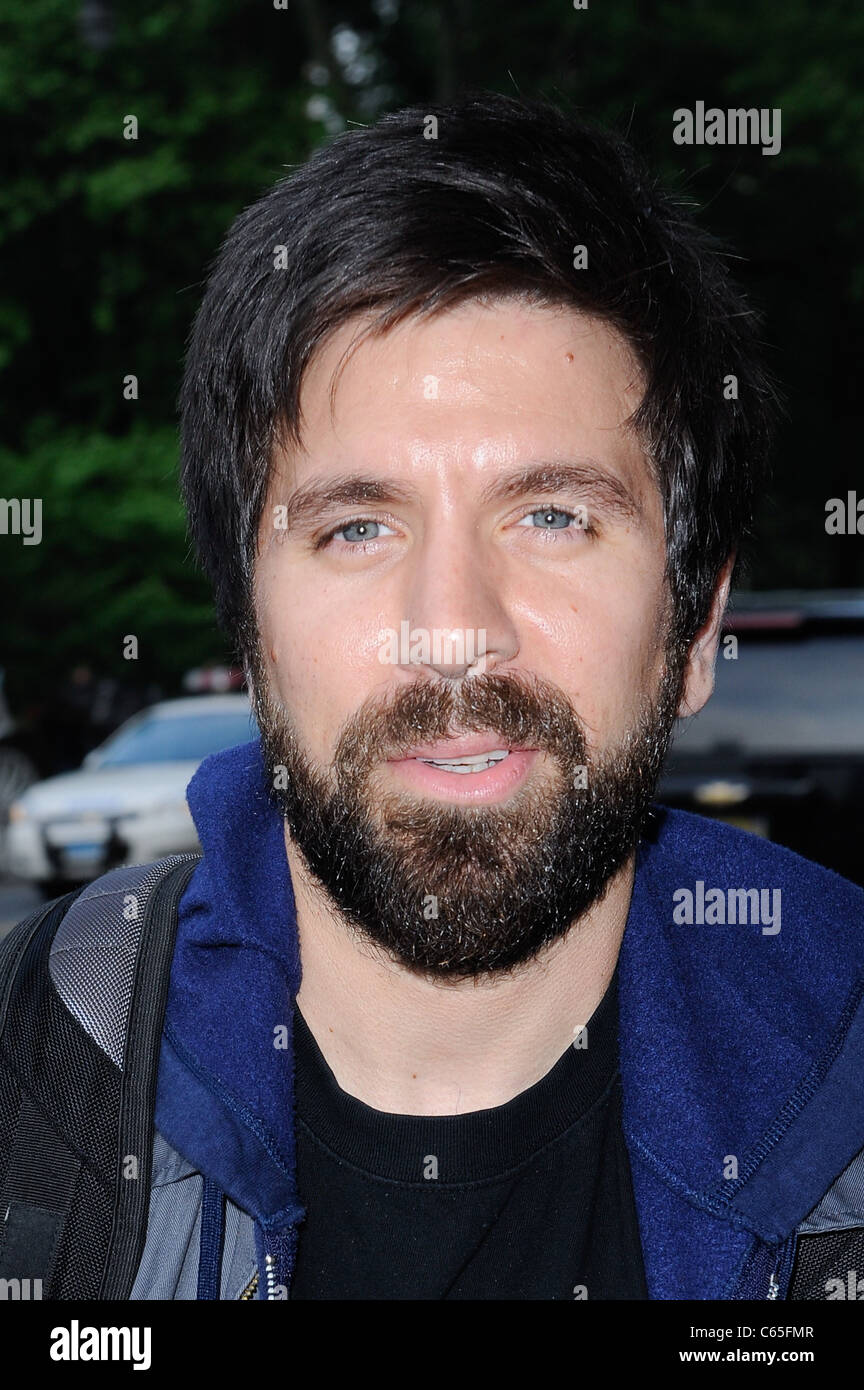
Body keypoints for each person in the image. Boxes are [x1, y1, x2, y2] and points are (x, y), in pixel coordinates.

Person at [2, 93, 863, 1302]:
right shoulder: (37, 1076)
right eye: (358, 526)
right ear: (247, 630)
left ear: (698, 626)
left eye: (554, 516)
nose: (455, 627)